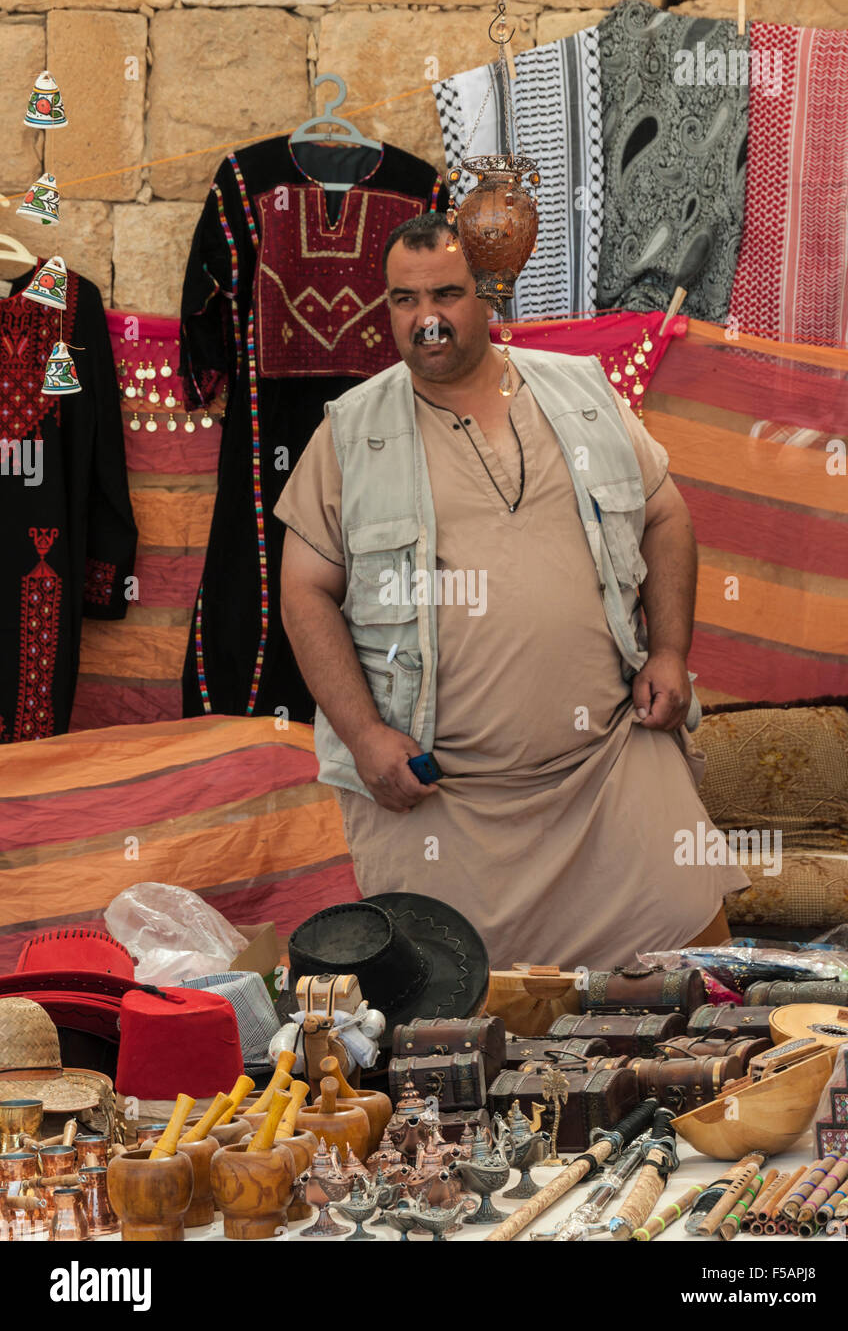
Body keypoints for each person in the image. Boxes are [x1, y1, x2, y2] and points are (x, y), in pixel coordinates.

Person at [275, 212, 748, 968]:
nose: (426, 319)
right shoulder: (350, 433)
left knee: (695, 976)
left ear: (488, 295)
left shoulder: (580, 393)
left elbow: (664, 513)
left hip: (607, 767)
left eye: (447, 295)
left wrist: (668, 649)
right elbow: (302, 590)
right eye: (403, 300)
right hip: (443, 799)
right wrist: (364, 735)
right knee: (462, 1026)